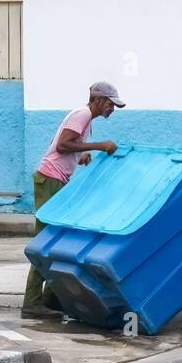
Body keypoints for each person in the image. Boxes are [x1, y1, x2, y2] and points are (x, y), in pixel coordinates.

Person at [22, 82, 125, 319]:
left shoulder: (86, 119)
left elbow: (66, 147)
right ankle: (32, 302)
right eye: (110, 104)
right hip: (49, 181)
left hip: (54, 181)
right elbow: (62, 144)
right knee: (45, 243)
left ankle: (49, 299)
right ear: (98, 100)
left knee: (55, 242)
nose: (112, 109)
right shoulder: (83, 114)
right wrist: (99, 146)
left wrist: (80, 155)